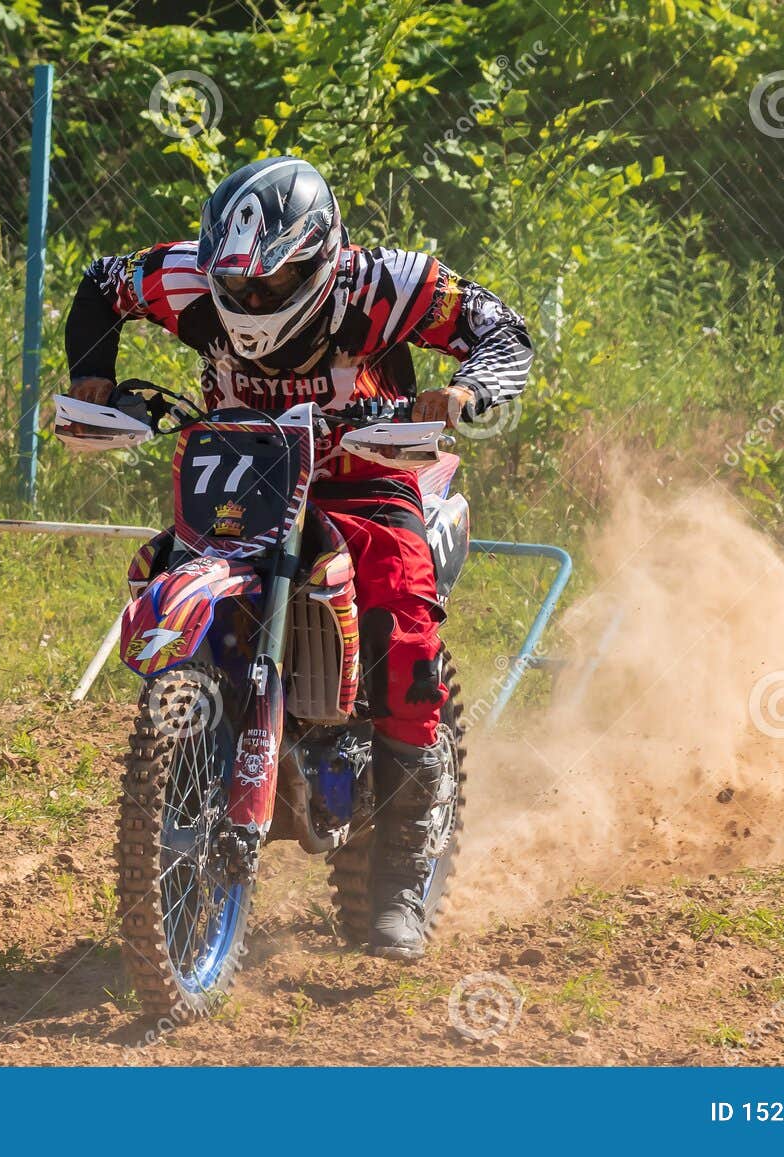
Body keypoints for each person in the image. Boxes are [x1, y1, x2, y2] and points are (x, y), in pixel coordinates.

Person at [62, 155, 532, 958]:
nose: (250, 300)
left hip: (367, 473)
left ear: (318, 261)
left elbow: (502, 328)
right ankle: (205, 737)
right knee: (166, 570)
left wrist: (467, 391)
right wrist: (93, 376)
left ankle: (401, 870)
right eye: (235, 285)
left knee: (401, 625)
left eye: (272, 284)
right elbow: (103, 285)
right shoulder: (185, 279)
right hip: (241, 476)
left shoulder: (385, 285)